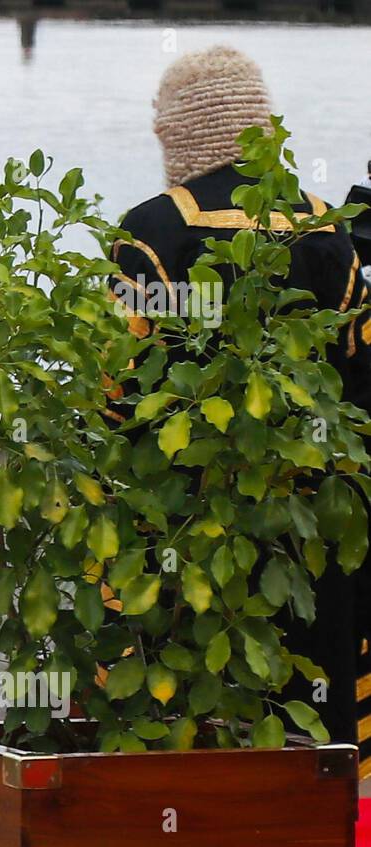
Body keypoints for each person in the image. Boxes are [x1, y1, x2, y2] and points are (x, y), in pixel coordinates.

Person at [108, 46, 371, 777]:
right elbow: (355, 379)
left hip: (184, 513)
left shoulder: (152, 233)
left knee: (185, 718)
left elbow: (119, 390)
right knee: (310, 712)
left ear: (176, 134)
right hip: (309, 519)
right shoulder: (328, 228)